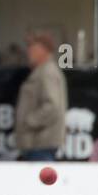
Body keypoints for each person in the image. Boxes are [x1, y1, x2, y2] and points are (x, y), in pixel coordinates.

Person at [15, 31, 67, 161]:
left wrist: (29, 121)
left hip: (41, 143)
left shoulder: (47, 72)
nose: (29, 52)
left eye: (32, 48)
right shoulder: (41, 71)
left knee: (42, 180)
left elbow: (52, 106)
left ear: (43, 50)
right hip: (36, 143)